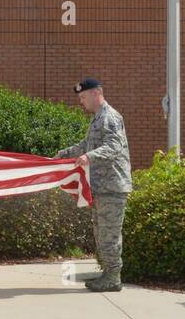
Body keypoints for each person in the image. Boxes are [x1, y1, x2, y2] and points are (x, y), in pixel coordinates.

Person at [53, 78, 132, 293]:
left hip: (112, 188)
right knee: (101, 234)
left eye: (83, 96)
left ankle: (113, 278)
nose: (81, 101)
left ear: (96, 93)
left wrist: (89, 156)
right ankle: (108, 274)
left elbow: (114, 146)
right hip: (101, 188)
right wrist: (64, 154)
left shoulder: (110, 117)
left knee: (109, 235)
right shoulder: (98, 118)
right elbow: (86, 145)